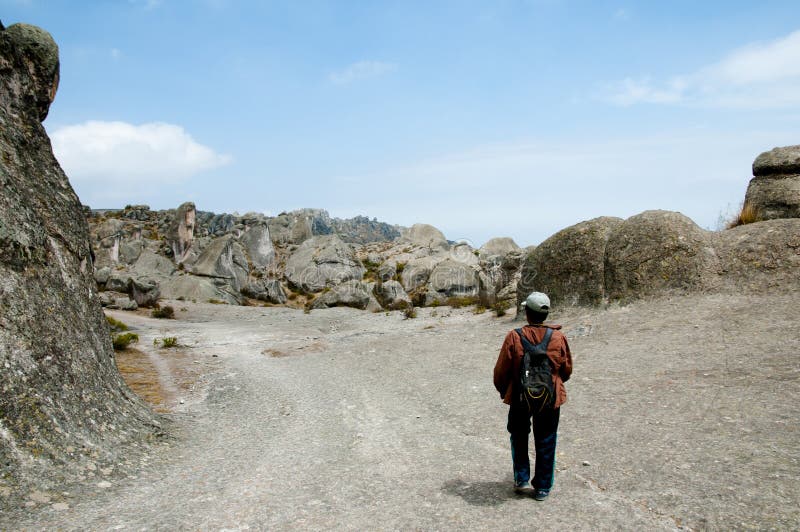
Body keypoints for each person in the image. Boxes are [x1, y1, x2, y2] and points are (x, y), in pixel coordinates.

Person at [493, 291, 572, 500]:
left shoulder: (514, 336)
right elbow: (567, 369)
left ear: (527, 312)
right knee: (546, 439)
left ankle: (521, 478)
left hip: (519, 397)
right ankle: (543, 487)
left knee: (518, 436)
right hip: (550, 397)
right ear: (545, 315)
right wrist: (553, 383)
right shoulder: (558, 337)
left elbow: (501, 371)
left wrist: (505, 391)